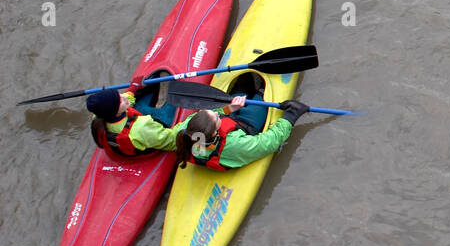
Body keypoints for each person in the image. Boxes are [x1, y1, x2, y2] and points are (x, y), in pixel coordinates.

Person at [174, 96, 310, 171]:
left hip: (230, 124)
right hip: (246, 125)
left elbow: (217, 114)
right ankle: (259, 92)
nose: (216, 113)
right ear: (215, 132)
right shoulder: (234, 144)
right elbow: (269, 142)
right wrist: (290, 117)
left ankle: (246, 90)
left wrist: (231, 108)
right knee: (259, 98)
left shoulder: (188, 130)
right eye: (216, 117)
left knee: (239, 93)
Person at [86, 78, 180, 157]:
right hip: (149, 141)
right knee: (170, 106)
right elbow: (172, 141)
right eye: (120, 101)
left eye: (120, 95)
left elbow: (124, 100)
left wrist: (132, 90)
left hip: (134, 144)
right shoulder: (141, 126)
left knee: (145, 93)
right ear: (114, 111)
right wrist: (189, 120)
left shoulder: (98, 117)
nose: (124, 97)